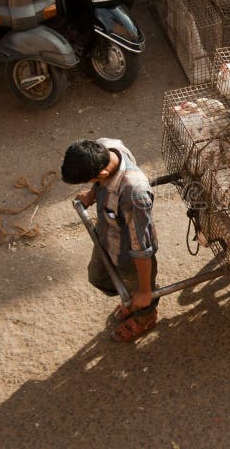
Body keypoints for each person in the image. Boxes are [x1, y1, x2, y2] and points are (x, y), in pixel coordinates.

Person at [61, 138, 160, 342]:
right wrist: (92, 193)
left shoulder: (134, 194)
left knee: (140, 292)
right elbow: (100, 183)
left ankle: (146, 316)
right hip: (107, 236)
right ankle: (132, 298)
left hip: (130, 257)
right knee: (97, 277)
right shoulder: (106, 146)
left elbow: (142, 248)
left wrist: (144, 290)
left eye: (91, 181)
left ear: (102, 174)